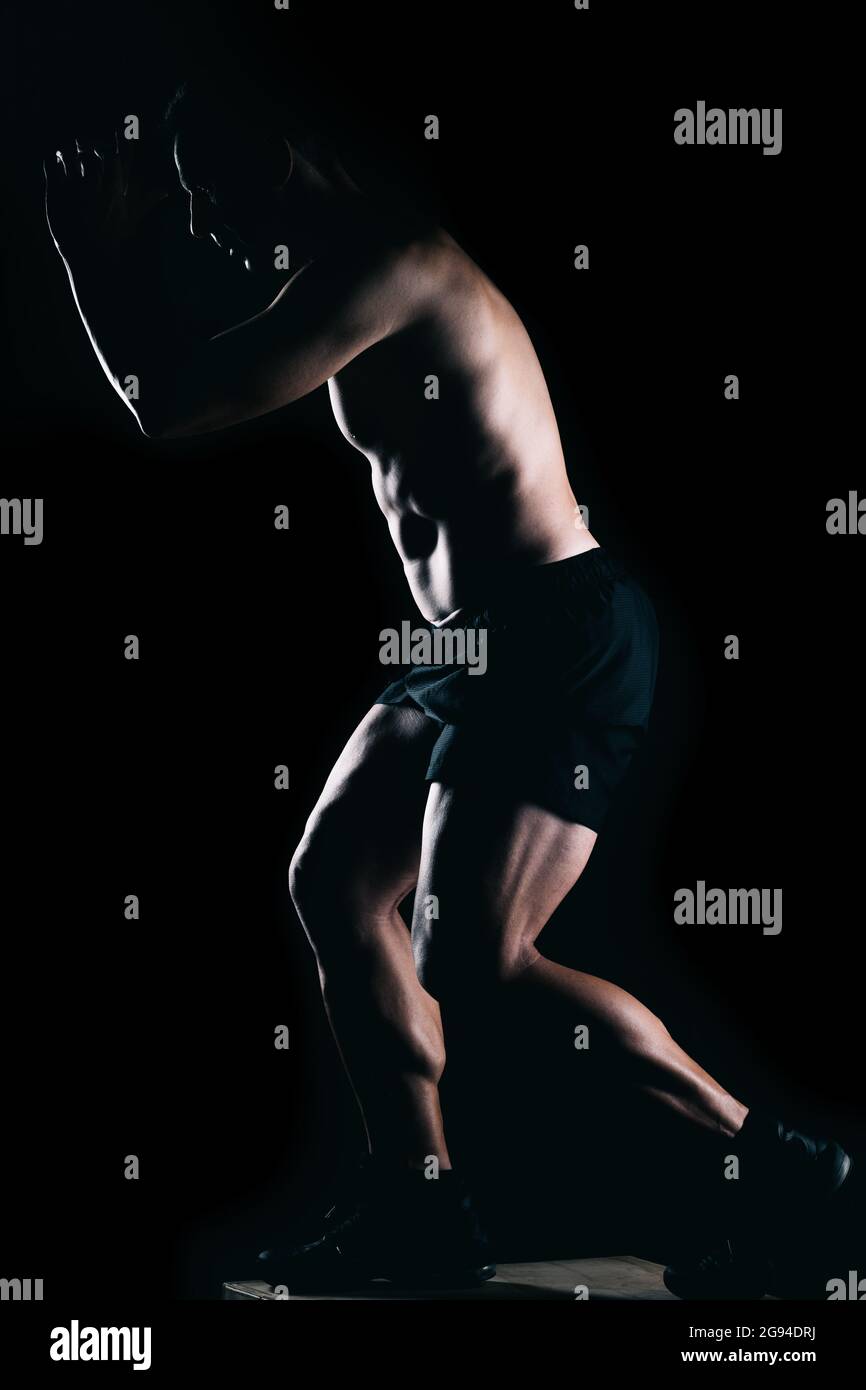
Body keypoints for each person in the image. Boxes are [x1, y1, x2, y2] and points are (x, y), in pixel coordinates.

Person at [44, 75, 850, 1298]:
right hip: (467, 643)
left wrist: (86, 255)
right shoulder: (336, 277)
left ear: (285, 152)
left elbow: (165, 403)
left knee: (475, 960)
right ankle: (415, 1206)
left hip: (552, 629)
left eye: (213, 193)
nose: (203, 224)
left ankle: (779, 1165)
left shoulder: (395, 266)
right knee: (332, 882)